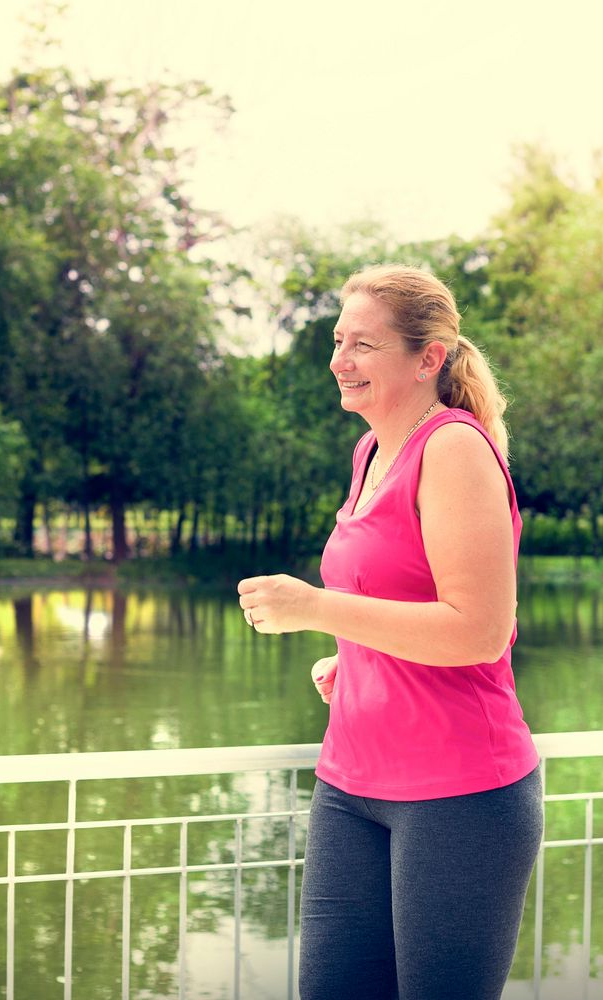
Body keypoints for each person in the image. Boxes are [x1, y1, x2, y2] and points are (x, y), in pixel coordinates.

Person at [237, 264, 542, 1000]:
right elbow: (399, 595)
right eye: (339, 341)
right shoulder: (370, 451)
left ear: (428, 358)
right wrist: (358, 658)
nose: (340, 359)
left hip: (460, 796)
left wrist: (317, 609)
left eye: (364, 345)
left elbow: (479, 630)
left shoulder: (455, 449)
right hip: (349, 784)